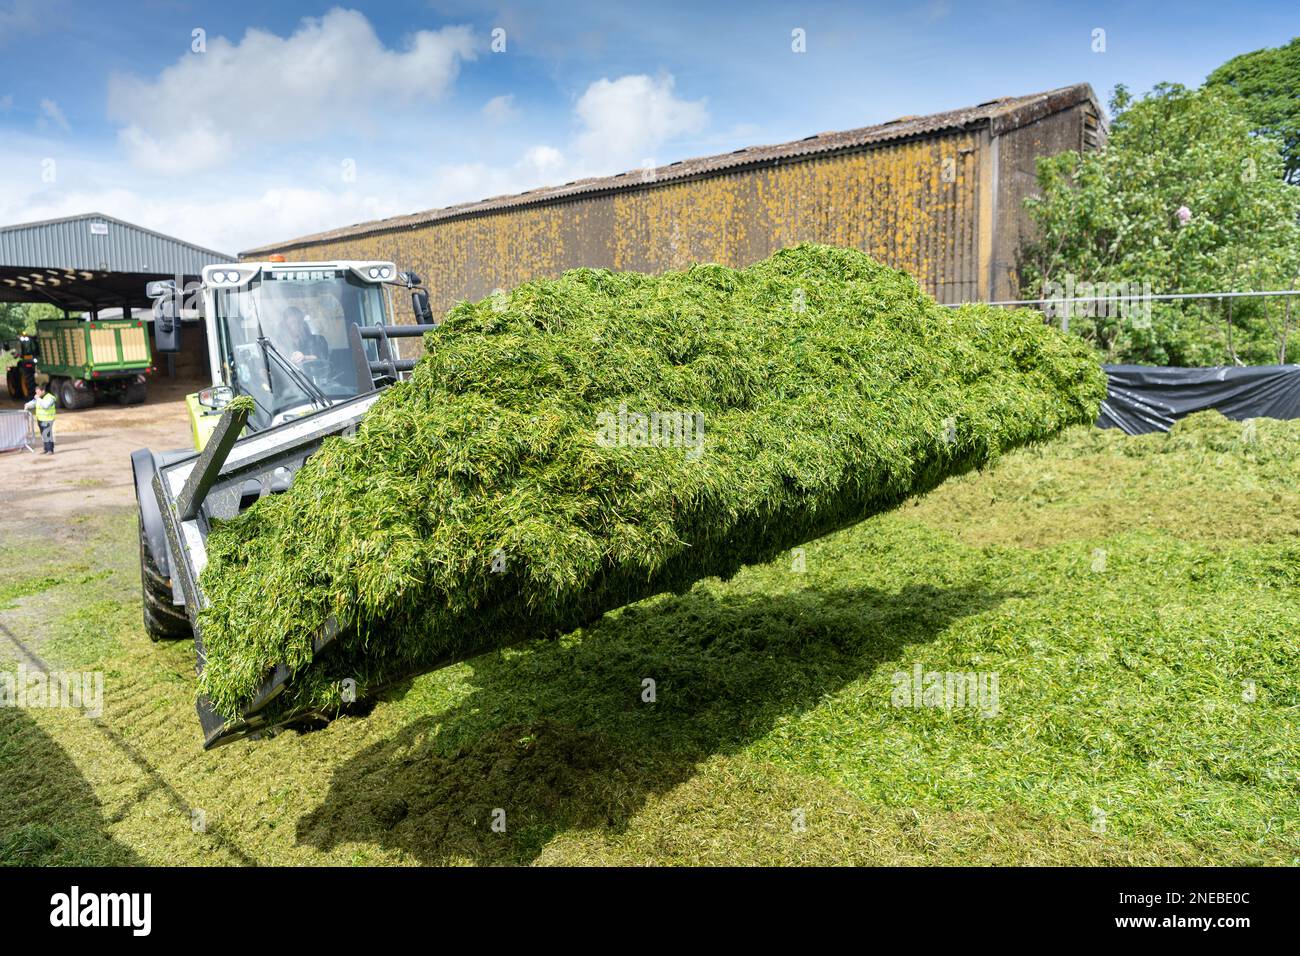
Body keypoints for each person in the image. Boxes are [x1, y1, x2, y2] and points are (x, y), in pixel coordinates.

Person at [24, 383, 56, 455]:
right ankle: (46, 449)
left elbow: (45, 406)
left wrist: (38, 399)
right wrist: (27, 404)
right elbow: (33, 402)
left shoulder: (50, 398)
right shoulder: (39, 398)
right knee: (43, 435)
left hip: (48, 419)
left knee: (47, 435)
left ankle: (50, 450)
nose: (36, 394)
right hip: (40, 419)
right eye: (36, 392)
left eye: (38, 392)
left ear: (43, 391)